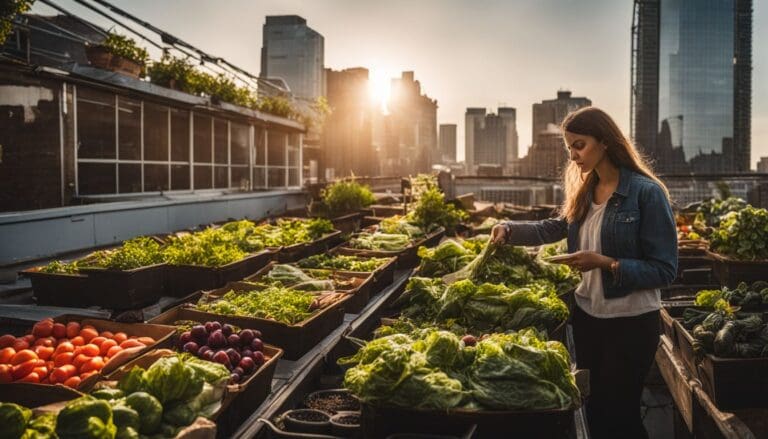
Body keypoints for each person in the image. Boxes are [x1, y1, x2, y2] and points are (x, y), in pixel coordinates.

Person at [491, 107, 677, 439]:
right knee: (593, 411)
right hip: (588, 320)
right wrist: (508, 229)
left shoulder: (646, 193)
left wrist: (605, 263)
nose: (573, 155)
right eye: (569, 148)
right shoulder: (585, 191)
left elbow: (664, 270)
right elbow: (552, 228)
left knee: (620, 417)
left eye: (579, 145)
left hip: (632, 324)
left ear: (604, 141)